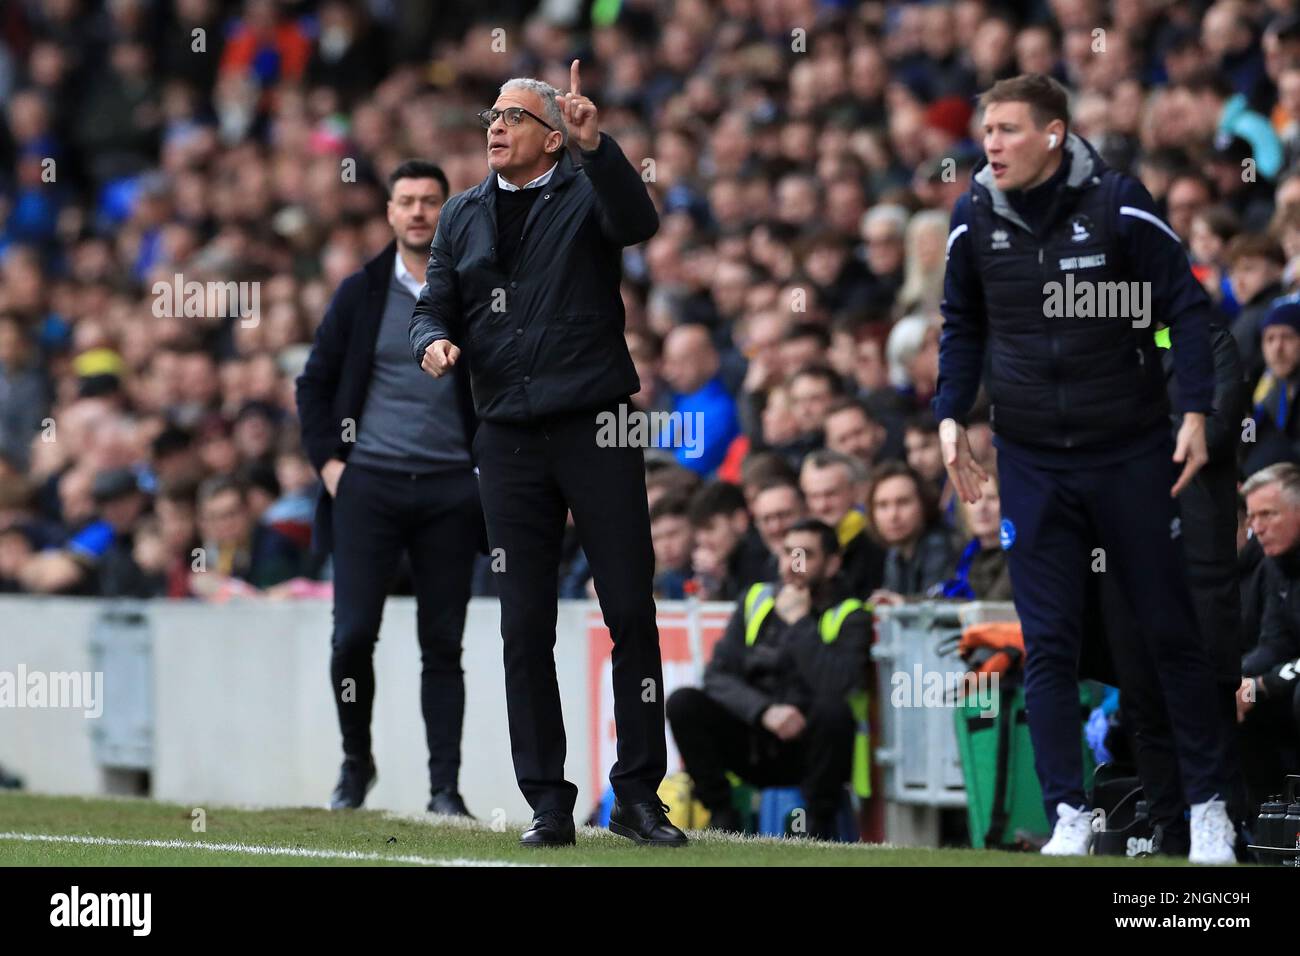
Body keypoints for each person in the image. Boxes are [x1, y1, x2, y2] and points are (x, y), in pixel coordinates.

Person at [934, 74, 1237, 863]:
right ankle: (1070, 811)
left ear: (1054, 133)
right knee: (1051, 642)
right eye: (985, 130)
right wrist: (947, 417)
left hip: (1129, 453)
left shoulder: (1118, 204)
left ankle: (1209, 809)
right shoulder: (973, 216)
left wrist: (1196, 413)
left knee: (1169, 633)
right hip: (1031, 460)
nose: (989, 144)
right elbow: (960, 323)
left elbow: (1187, 308)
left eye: (1005, 129)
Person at [409, 63, 684, 847]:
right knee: (523, 622)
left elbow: (639, 222)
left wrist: (602, 149)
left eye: (514, 116)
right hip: (507, 438)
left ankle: (636, 794)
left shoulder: (587, 188)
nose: (495, 126)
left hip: (596, 424)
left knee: (630, 607)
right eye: (491, 115)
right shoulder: (462, 215)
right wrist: (431, 341)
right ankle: (549, 802)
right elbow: (432, 306)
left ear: (553, 136)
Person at [296, 159, 484, 815]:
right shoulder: (361, 291)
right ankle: (356, 762)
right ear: (389, 212)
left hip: (450, 490)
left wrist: (484, 467)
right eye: (406, 201)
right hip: (368, 484)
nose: (417, 212)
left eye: (430, 201)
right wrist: (330, 466)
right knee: (351, 636)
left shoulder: (472, 290)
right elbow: (313, 384)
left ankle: (445, 789)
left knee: (443, 644)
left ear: (447, 211)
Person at [666, 519, 870, 839]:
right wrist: (764, 711)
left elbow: (838, 684)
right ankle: (723, 816)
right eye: (788, 553)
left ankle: (819, 826)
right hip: (755, 738)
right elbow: (718, 677)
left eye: (805, 555)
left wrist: (800, 623)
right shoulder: (756, 598)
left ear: (832, 564)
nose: (793, 565)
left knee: (833, 711)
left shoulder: (851, 613)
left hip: (811, 752)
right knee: (683, 703)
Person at [1237, 463, 1300, 812]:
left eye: (1268, 515)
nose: (1257, 528)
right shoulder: (1277, 564)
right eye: (1251, 517)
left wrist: (1262, 685)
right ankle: (1264, 824)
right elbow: (1274, 642)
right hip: (1289, 676)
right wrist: (1238, 680)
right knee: (1231, 696)